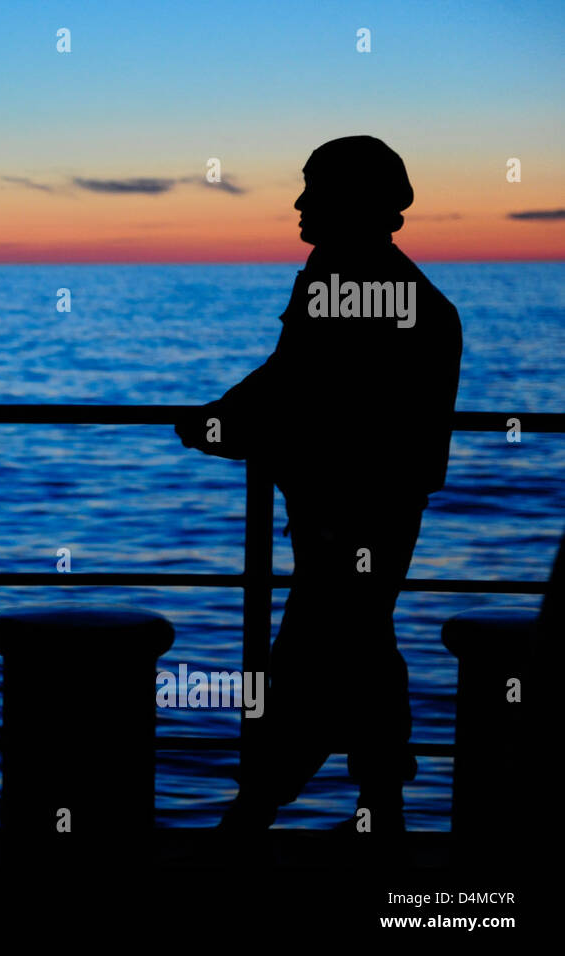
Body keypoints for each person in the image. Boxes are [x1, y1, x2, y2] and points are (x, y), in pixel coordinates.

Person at [175, 136, 462, 833]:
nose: (300, 204)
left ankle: (256, 811)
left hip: (353, 510)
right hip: (370, 506)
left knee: (315, 653)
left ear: (352, 201)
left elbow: (297, 385)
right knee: (359, 642)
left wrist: (217, 426)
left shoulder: (344, 281)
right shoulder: (360, 278)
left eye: (313, 189)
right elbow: (296, 380)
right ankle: (379, 804)